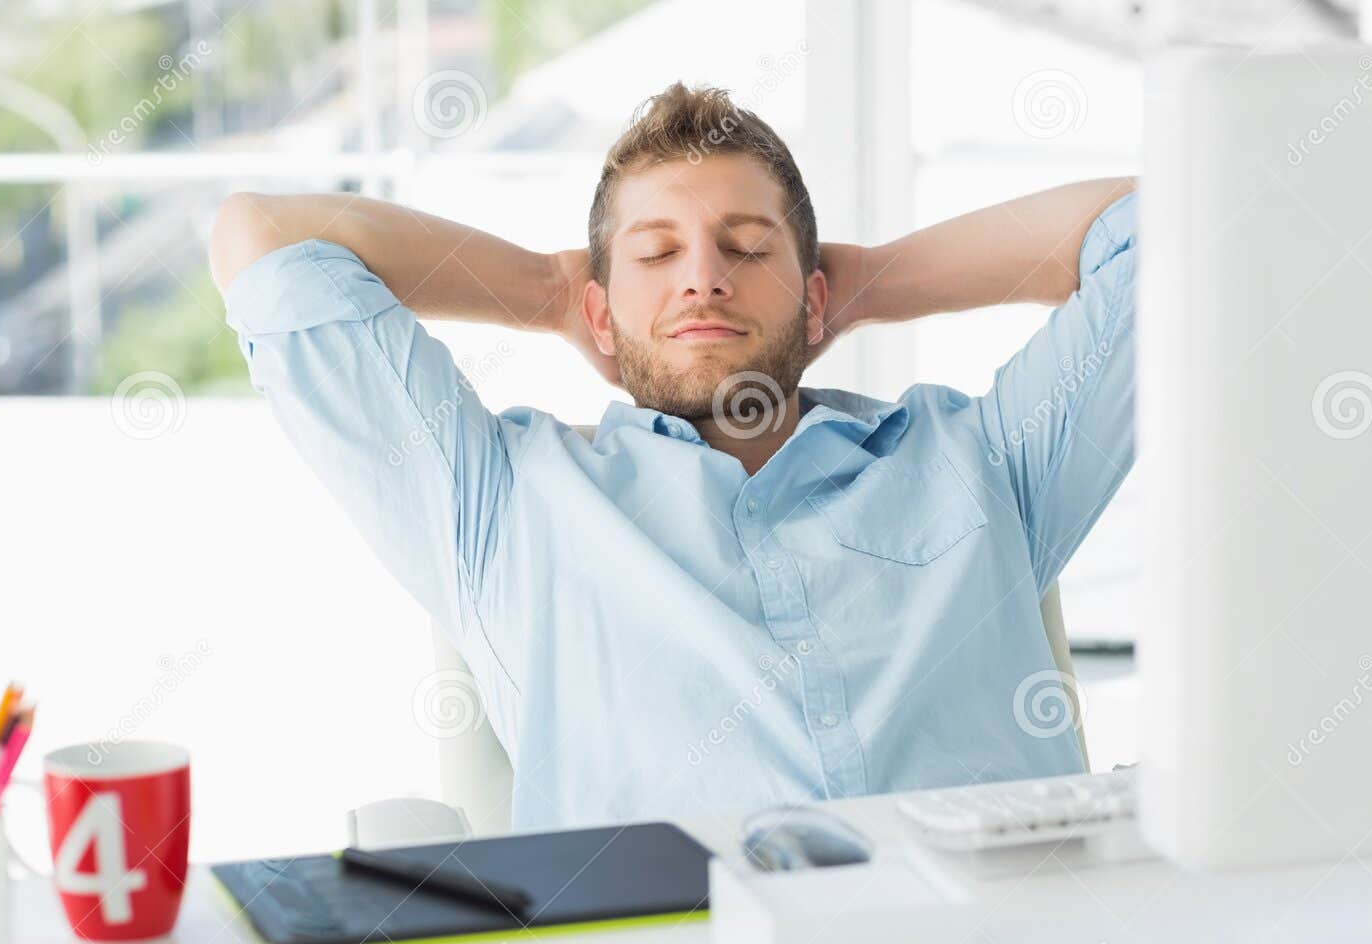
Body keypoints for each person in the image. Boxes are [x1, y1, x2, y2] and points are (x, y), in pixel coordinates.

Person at [209, 82, 1137, 828]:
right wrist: (544, 288)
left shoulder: (988, 462)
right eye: (656, 254)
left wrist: (874, 282)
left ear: (815, 304)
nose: (703, 274)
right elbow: (262, 239)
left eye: (745, 246)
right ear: (601, 314)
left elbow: (1172, 226)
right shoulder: (501, 504)